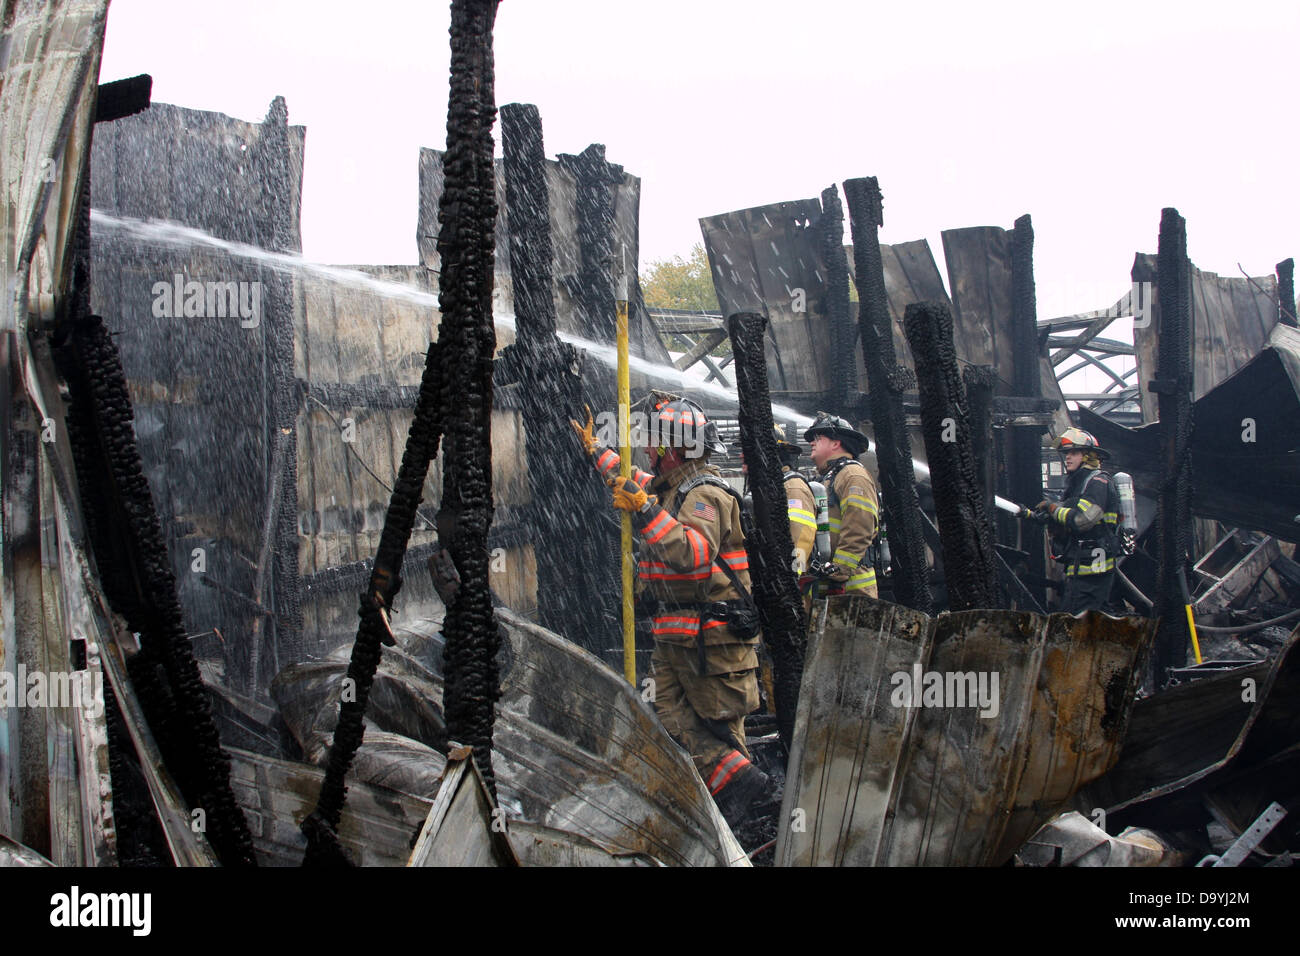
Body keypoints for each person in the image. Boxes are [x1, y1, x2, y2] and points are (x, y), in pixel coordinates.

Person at [570, 394, 770, 828]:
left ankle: (740, 818)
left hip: (713, 641)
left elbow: (694, 554)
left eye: (654, 439)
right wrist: (597, 451)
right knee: (670, 723)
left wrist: (642, 509)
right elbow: (631, 480)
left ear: (673, 447)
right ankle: (727, 802)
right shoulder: (673, 490)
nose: (645, 447)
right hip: (680, 636)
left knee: (720, 731)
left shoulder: (704, 496)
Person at [1023, 427, 1121, 614]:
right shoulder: (1078, 485)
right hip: (1081, 569)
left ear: (1088, 456)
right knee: (1093, 621)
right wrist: (1028, 514)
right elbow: (1063, 515)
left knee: (1074, 623)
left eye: (1074, 453)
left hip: (1092, 571)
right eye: (1067, 453)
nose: (1067, 457)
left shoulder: (1098, 482)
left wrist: (1052, 508)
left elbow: (1082, 520)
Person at [802, 411, 879, 598]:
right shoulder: (828, 478)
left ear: (836, 443)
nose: (812, 442)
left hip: (851, 590)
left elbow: (860, 526)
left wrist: (840, 571)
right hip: (829, 586)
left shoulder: (852, 475)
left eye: (818, 438)